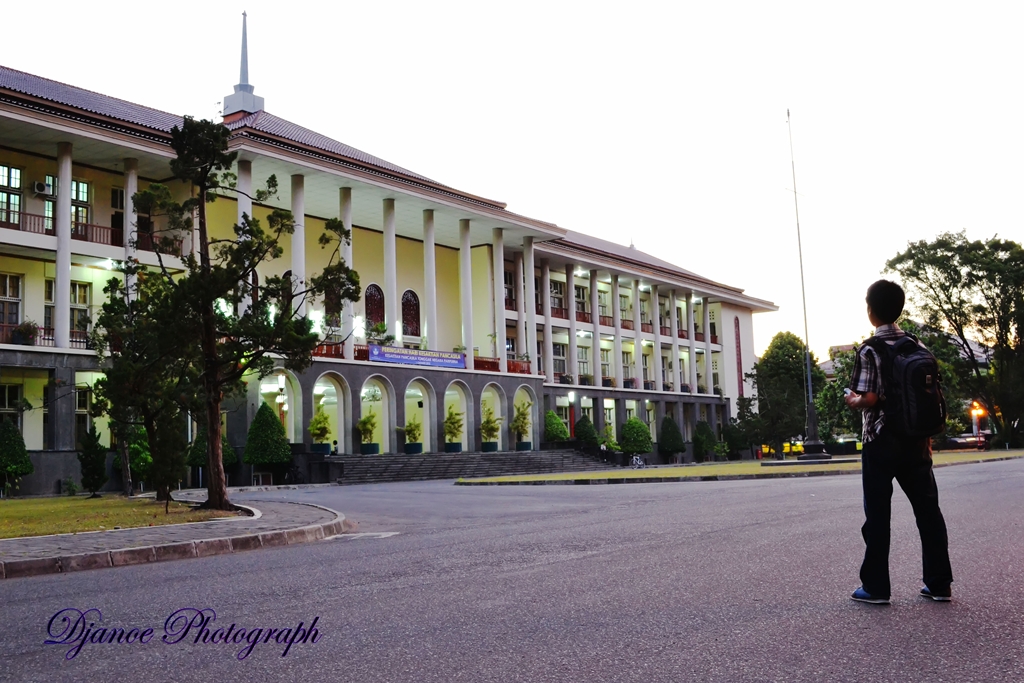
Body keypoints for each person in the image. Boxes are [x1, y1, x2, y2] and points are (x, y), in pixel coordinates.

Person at [845, 279, 953, 605]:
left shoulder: (869, 349)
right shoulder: (917, 347)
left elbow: (871, 396)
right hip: (917, 440)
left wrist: (854, 400)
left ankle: (876, 587)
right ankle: (939, 583)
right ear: (900, 309)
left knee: (878, 516)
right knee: (928, 512)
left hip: (880, 440)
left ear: (871, 311)